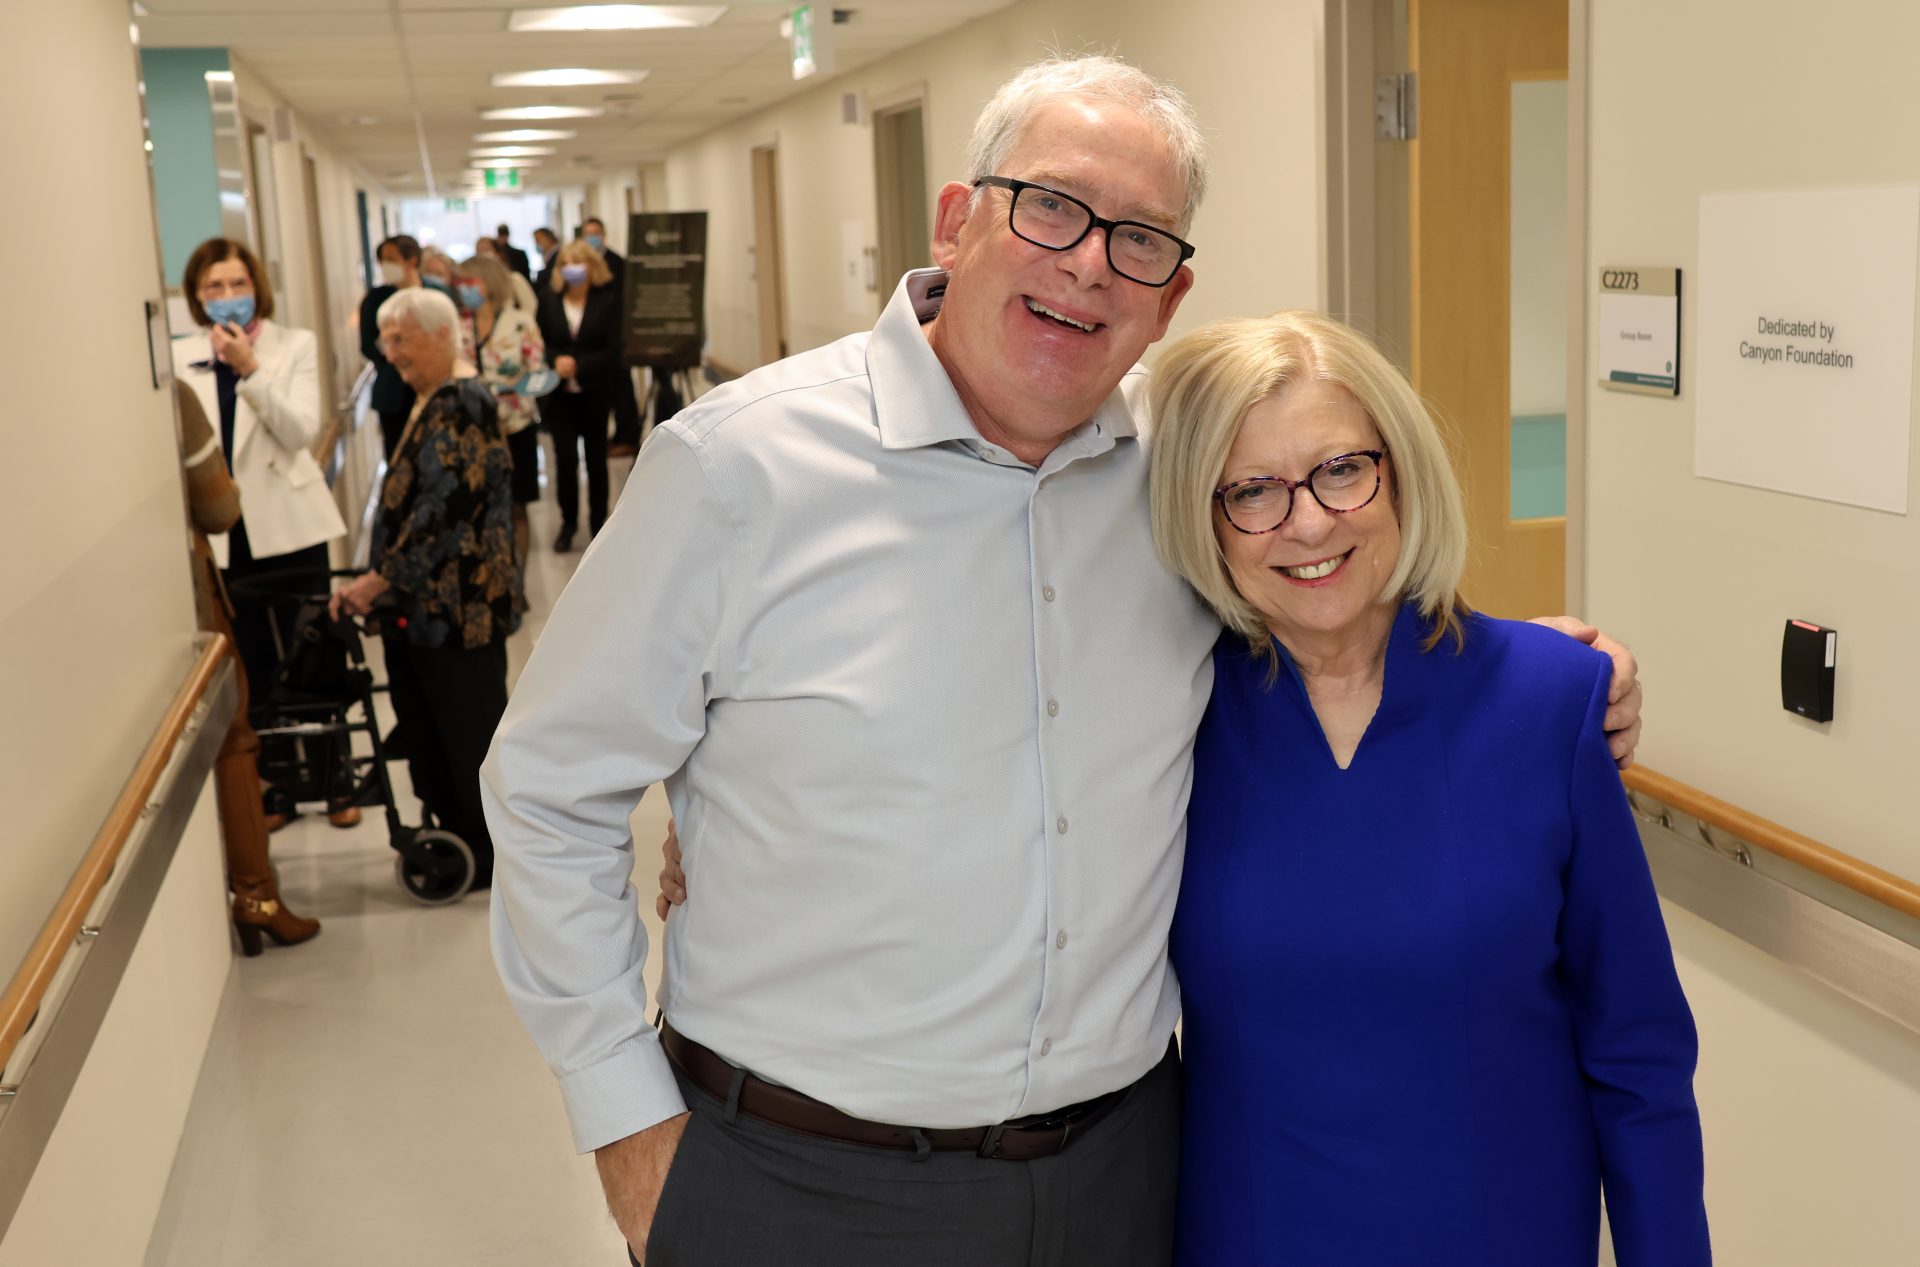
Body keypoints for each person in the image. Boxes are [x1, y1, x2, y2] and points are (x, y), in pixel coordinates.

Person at [483, 55, 1644, 1267]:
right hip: (797, 1179)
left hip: (1123, 1175)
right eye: (1051, 206)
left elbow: (1327, 576)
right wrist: (626, 1126)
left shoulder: (1180, 471)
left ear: (1170, 293)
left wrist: (1537, 667)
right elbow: (551, 790)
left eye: (1139, 239)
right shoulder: (739, 469)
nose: (1088, 261)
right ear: (957, 218)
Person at [1145, 312, 1709, 1266]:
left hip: (1501, 1233)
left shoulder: (1552, 700)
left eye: (1340, 469)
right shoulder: (1169, 717)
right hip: (1252, 1234)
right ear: (1204, 519)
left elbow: (1638, 1055)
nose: (1311, 521)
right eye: (1253, 490)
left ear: (1398, 472)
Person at [330, 287, 517, 889]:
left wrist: (380, 578)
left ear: (442, 335)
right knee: (436, 729)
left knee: (466, 731)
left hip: (457, 609)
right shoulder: (435, 397)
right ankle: (460, 838)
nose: (390, 353)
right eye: (385, 340)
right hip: (433, 606)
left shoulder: (461, 402)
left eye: (400, 339)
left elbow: (444, 510)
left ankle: (485, 854)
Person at [173, 236, 357, 830]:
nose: (227, 298)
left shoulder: (291, 345)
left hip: (289, 525)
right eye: (213, 288)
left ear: (257, 288)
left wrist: (249, 371)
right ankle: (276, 785)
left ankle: (335, 781)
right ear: (197, 298)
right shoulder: (180, 358)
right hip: (226, 536)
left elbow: (301, 430)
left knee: (313, 652)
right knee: (253, 663)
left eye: (237, 284)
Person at [174, 378, 322, 953]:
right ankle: (256, 896)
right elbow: (219, 506)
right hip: (191, 599)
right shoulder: (171, 395)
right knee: (234, 741)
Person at [456, 252, 550, 569]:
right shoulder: (459, 325)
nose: (465, 288)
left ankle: (518, 580)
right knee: (479, 506)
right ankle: (491, 577)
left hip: (515, 426)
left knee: (517, 505)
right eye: (462, 282)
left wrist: (515, 388)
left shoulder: (520, 323)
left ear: (489, 283)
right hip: (473, 428)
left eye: (471, 281)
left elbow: (539, 373)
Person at [533, 239, 622, 551]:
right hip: (559, 397)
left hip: (595, 392)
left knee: (596, 460)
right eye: (566, 263)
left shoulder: (607, 301)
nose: (572, 268)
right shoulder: (548, 300)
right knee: (565, 459)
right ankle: (568, 523)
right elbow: (540, 342)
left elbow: (613, 350)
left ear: (591, 266)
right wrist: (556, 360)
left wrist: (578, 365)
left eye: (578, 262)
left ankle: (600, 524)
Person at [579, 216, 644, 457]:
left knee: (621, 388)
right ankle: (611, 436)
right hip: (594, 344)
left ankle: (627, 437)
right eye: (588, 233)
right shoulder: (582, 265)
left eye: (596, 232)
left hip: (615, 338)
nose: (593, 237)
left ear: (604, 234)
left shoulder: (617, 263)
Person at [361, 234, 421, 456]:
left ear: (411, 260)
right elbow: (367, 345)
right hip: (393, 394)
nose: (385, 265)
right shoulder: (376, 299)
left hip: (431, 390)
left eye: (391, 258)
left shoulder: (434, 292)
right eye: (381, 259)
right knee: (398, 457)